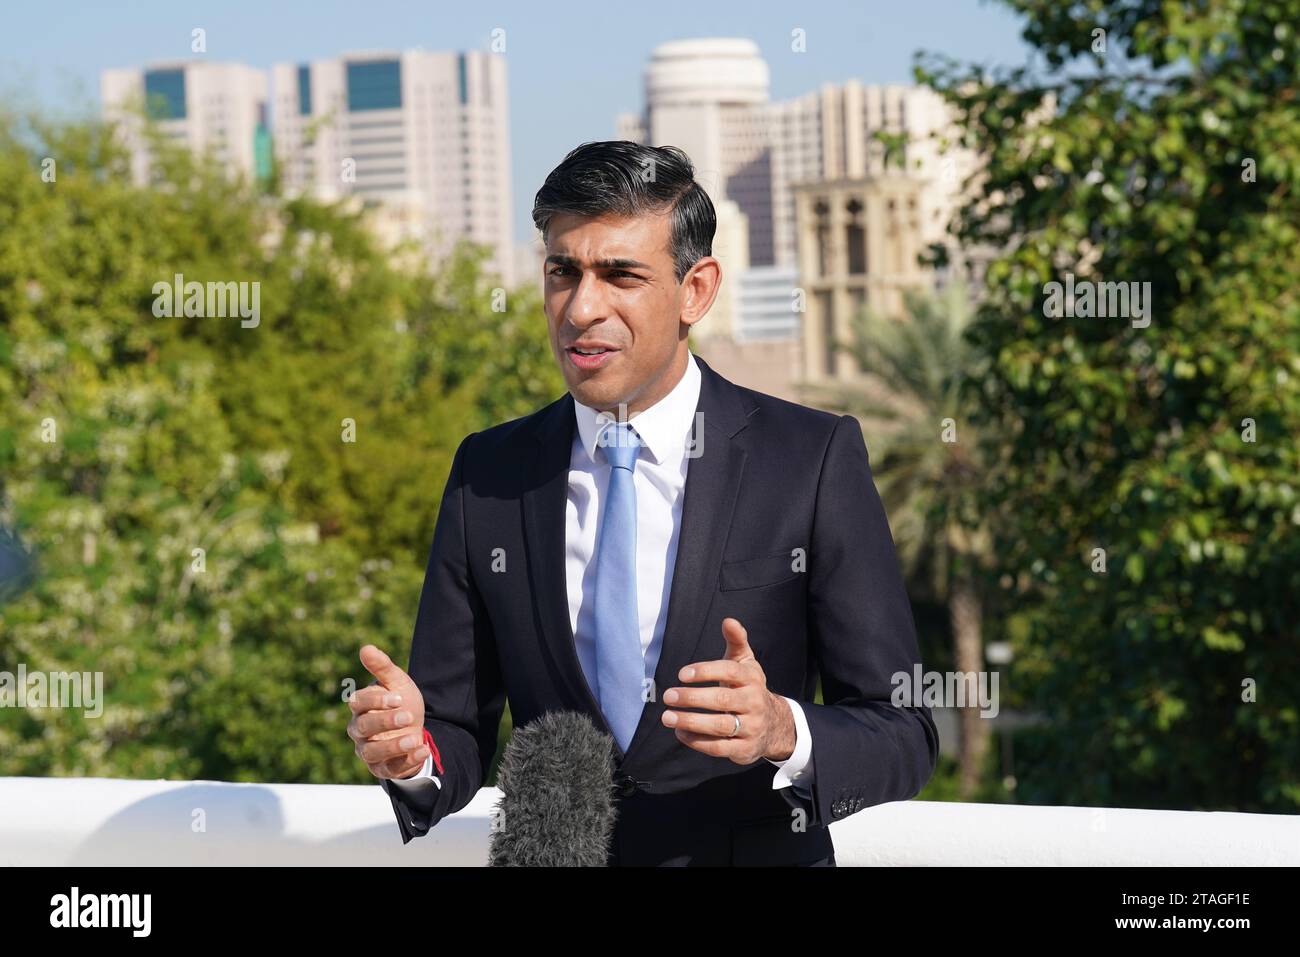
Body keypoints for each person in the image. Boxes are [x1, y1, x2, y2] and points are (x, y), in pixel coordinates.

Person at [346, 140, 939, 866]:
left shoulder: (809, 459)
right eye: (562, 271)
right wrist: (412, 753)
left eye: (619, 274)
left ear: (697, 289)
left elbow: (905, 731)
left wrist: (782, 728)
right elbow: (455, 727)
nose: (581, 307)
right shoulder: (488, 472)